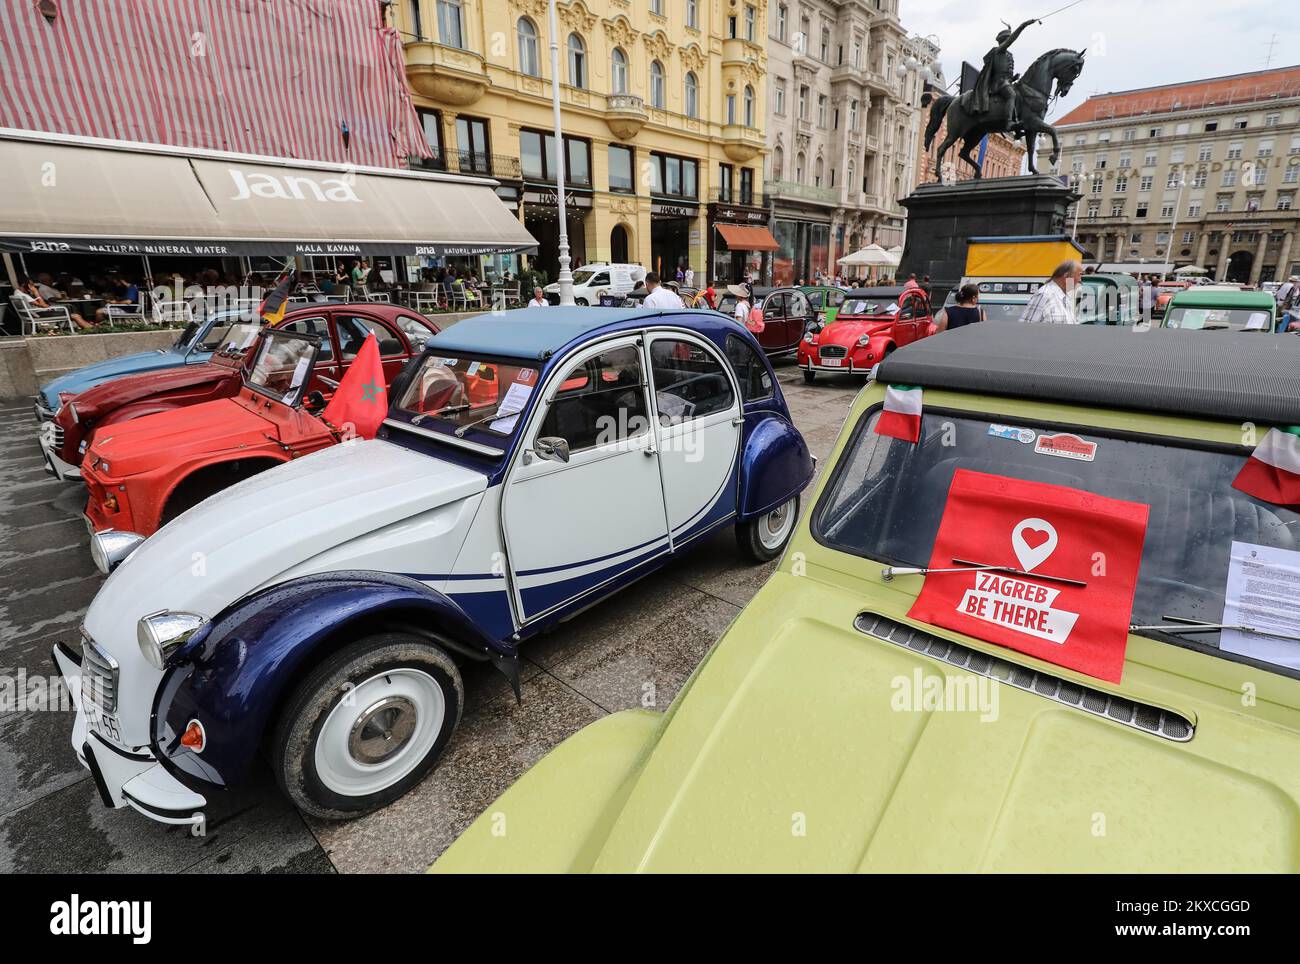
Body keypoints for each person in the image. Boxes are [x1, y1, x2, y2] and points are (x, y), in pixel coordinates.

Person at [971, 18, 1038, 130]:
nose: (1009, 41)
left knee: (1021, 94)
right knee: (1012, 95)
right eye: (1008, 39)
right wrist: (1024, 25)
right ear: (1004, 40)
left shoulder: (1008, 54)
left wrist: (1013, 78)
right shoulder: (999, 50)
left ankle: (1018, 120)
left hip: (1007, 82)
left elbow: (1006, 72)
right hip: (998, 83)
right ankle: (1008, 122)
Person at [15, 276, 93, 329]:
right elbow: (44, 306)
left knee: (74, 313)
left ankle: (87, 327)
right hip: (40, 315)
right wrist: (36, 292)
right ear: (24, 285)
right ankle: (92, 329)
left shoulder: (17, 293)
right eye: (31, 285)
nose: (33, 287)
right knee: (76, 316)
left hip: (37, 314)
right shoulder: (23, 295)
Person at [1020, 260, 1083, 325]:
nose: (1080, 280)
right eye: (1079, 275)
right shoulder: (1044, 295)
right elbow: (1025, 327)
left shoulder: (1067, 298)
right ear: (1066, 276)